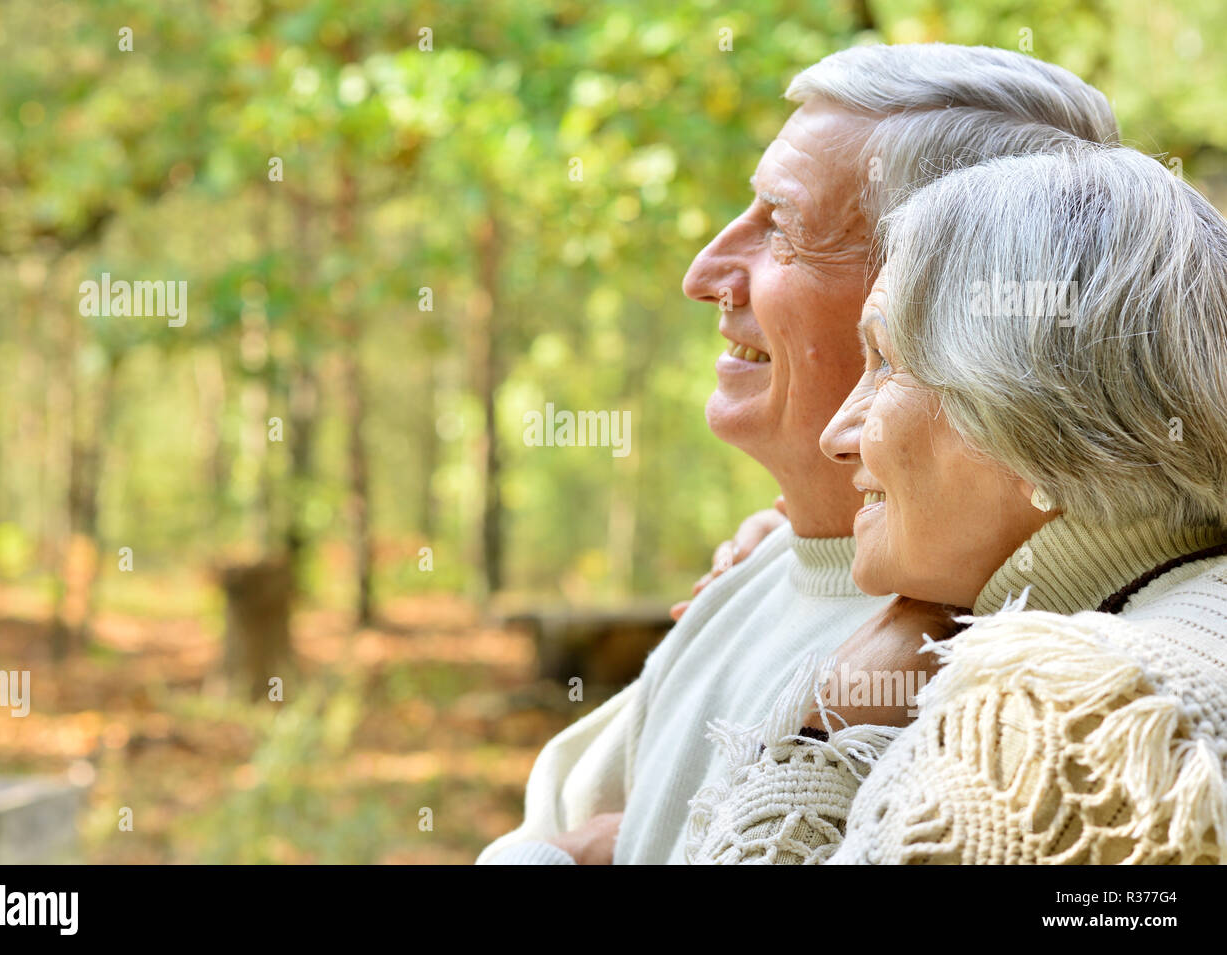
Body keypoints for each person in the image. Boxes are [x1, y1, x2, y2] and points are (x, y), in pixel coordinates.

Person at [477, 43, 1118, 865]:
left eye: (779, 226)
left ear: (945, 295)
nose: (703, 271)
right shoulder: (764, 571)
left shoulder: (998, 682)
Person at [687, 143, 1227, 864]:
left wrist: (824, 733)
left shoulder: (1059, 723)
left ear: (1032, 417)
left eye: (885, 364)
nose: (837, 434)